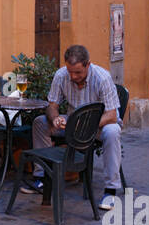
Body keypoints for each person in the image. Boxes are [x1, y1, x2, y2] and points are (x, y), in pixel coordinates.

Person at [29, 44, 123, 210]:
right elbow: (52, 105)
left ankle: (111, 191)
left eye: (78, 72)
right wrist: (55, 118)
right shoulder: (61, 75)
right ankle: (41, 178)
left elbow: (112, 115)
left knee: (113, 131)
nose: (73, 76)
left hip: (98, 125)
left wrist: (85, 125)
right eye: (70, 71)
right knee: (40, 122)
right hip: (73, 123)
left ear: (88, 64)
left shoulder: (102, 78)